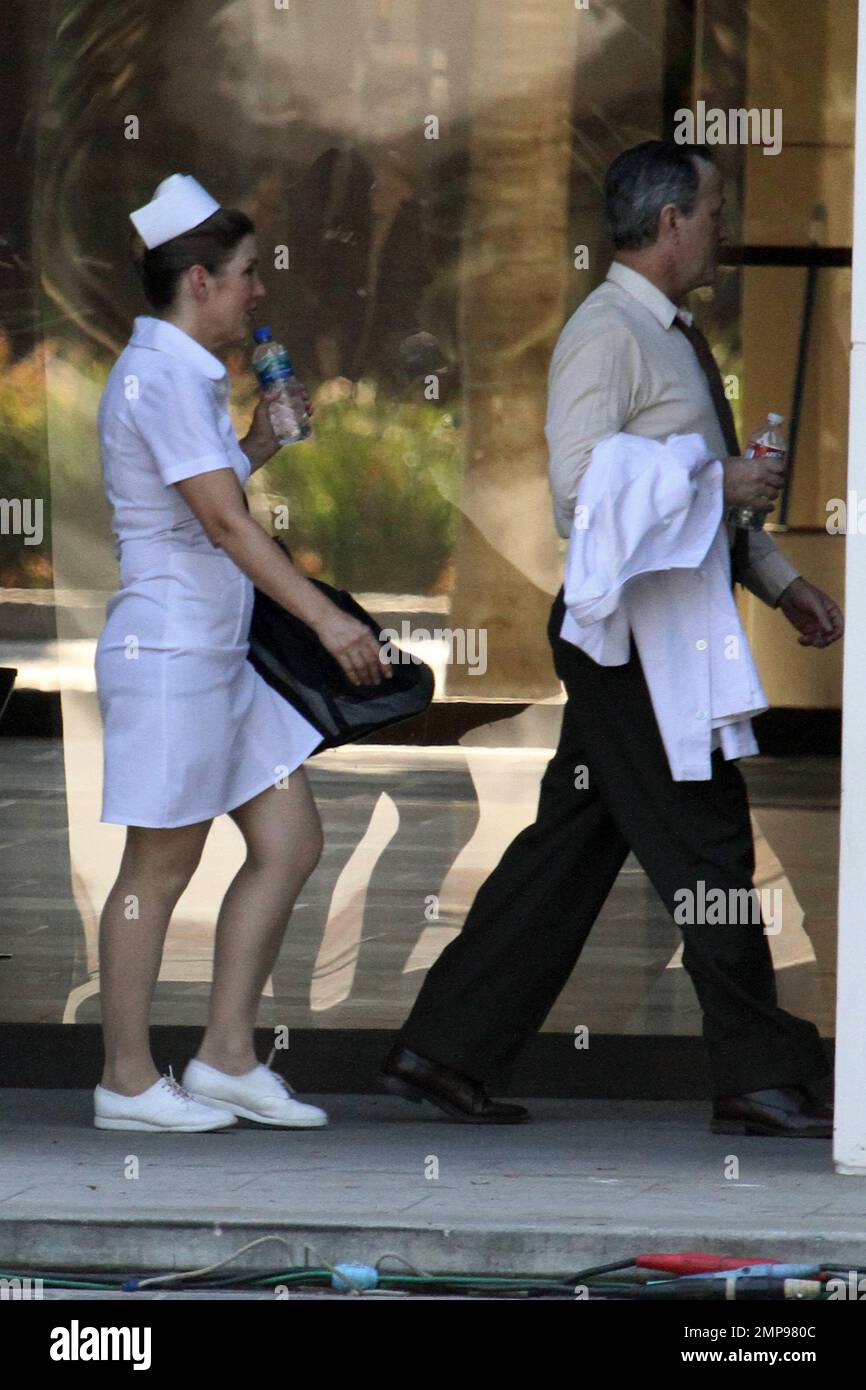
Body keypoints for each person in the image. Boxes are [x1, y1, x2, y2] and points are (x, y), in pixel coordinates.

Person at [379, 140, 843, 1137]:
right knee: (708, 840)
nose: (723, 226)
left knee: (570, 846)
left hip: (656, 630)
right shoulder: (605, 335)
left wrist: (780, 579)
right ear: (669, 222)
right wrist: (714, 482)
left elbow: (699, 495)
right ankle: (759, 1072)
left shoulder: (666, 331)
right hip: (632, 642)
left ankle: (441, 1049)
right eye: (713, 208)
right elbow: (580, 491)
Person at [93, 174, 389, 1132]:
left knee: (292, 840)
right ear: (200, 281)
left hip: (212, 653)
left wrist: (259, 440)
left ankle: (224, 1057)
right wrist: (327, 620)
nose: (261, 291)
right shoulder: (161, 375)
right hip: (174, 652)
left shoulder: (182, 374)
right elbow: (221, 524)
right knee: (156, 870)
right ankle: (127, 1083)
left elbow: (206, 492)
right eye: (249, 273)